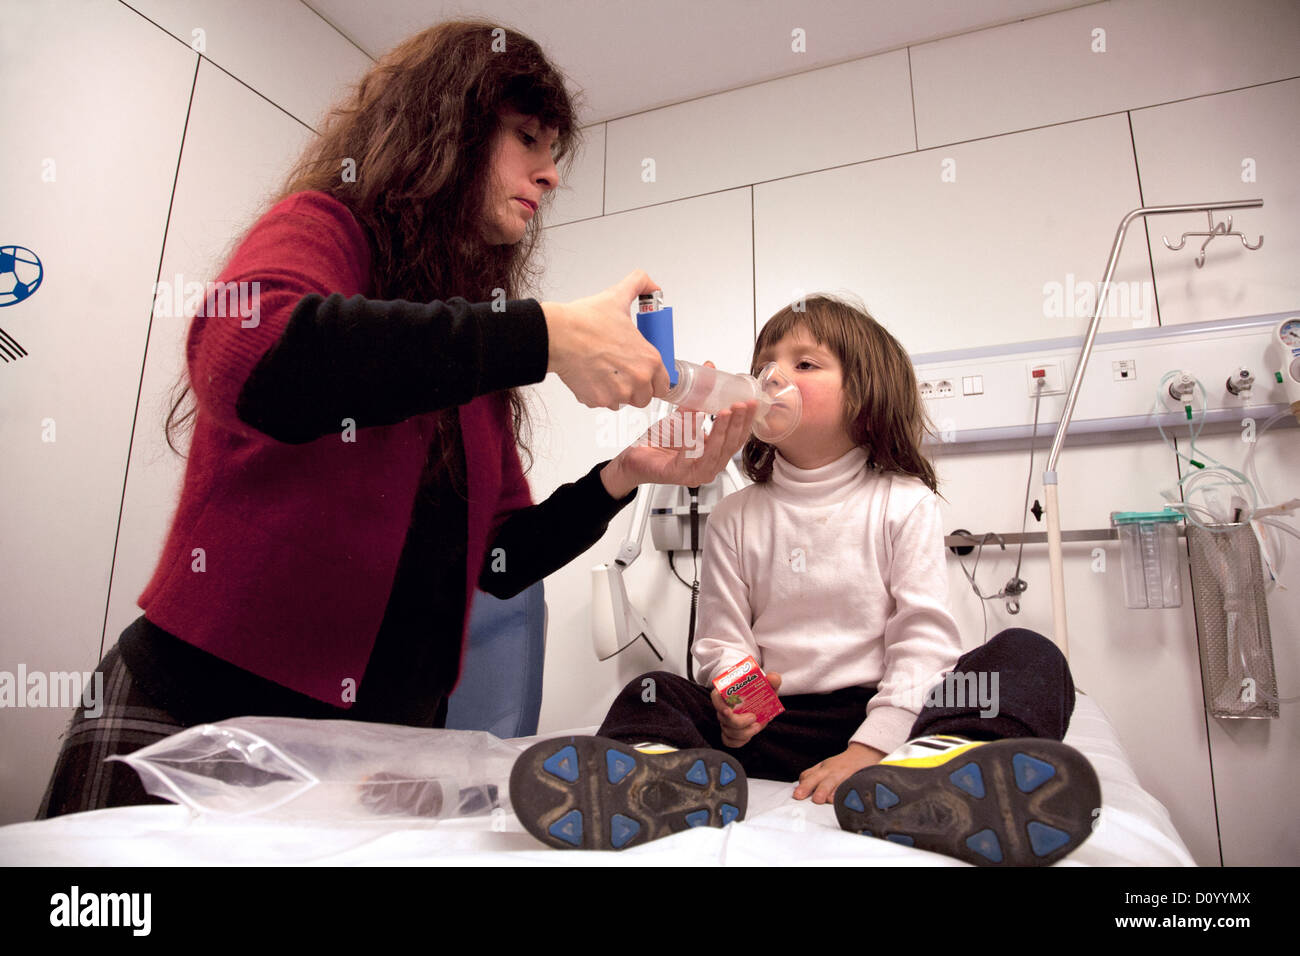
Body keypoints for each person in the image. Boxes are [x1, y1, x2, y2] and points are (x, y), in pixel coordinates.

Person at [38, 20, 755, 819]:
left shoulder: (475, 355)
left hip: (373, 758)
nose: (550, 175)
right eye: (527, 139)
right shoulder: (325, 229)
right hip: (199, 719)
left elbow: (498, 565)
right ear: (446, 127)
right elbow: (250, 357)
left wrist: (626, 477)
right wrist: (542, 335)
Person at [511, 294, 1100, 864]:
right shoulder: (735, 517)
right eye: (763, 366)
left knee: (1029, 655)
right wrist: (742, 707)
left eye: (804, 363)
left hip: (884, 718)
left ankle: (940, 767)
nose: (772, 378)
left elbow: (921, 639)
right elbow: (723, 642)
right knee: (657, 690)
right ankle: (654, 779)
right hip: (776, 723)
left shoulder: (904, 502)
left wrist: (874, 747)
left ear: (867, 393)